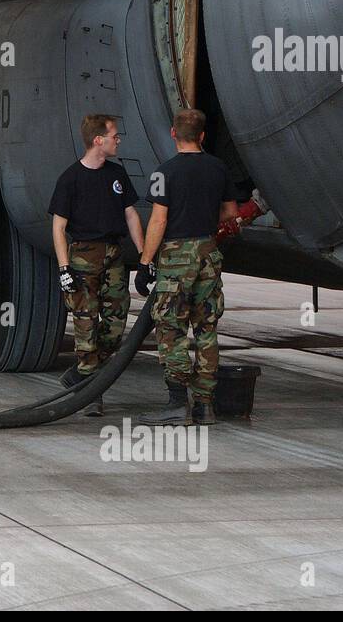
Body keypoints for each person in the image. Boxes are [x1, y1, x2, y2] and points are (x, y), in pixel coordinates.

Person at [135, 108, 239, 426]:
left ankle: (177, 403)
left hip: (176, 257)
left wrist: (145, 262)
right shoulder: (219, 168)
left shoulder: (163, 172)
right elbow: (231, 212)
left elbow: (158, 220)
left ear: (172, 134)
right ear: (203, 136)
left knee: (171, 329)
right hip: (208, 253)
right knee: (206, 329)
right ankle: (204, 406)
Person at [49, 114, 145, 415]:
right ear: (98, 140)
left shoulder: (116, 174)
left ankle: (80, 374)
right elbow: (58, 227)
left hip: (114, 255)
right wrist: (64, 268)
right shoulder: (70, 178)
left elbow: (131, 215)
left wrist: (144, 258)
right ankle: (90, 391)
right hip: (83, 257)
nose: (118, 140)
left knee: (115, 324)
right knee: (85, 323)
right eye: (114, 135)